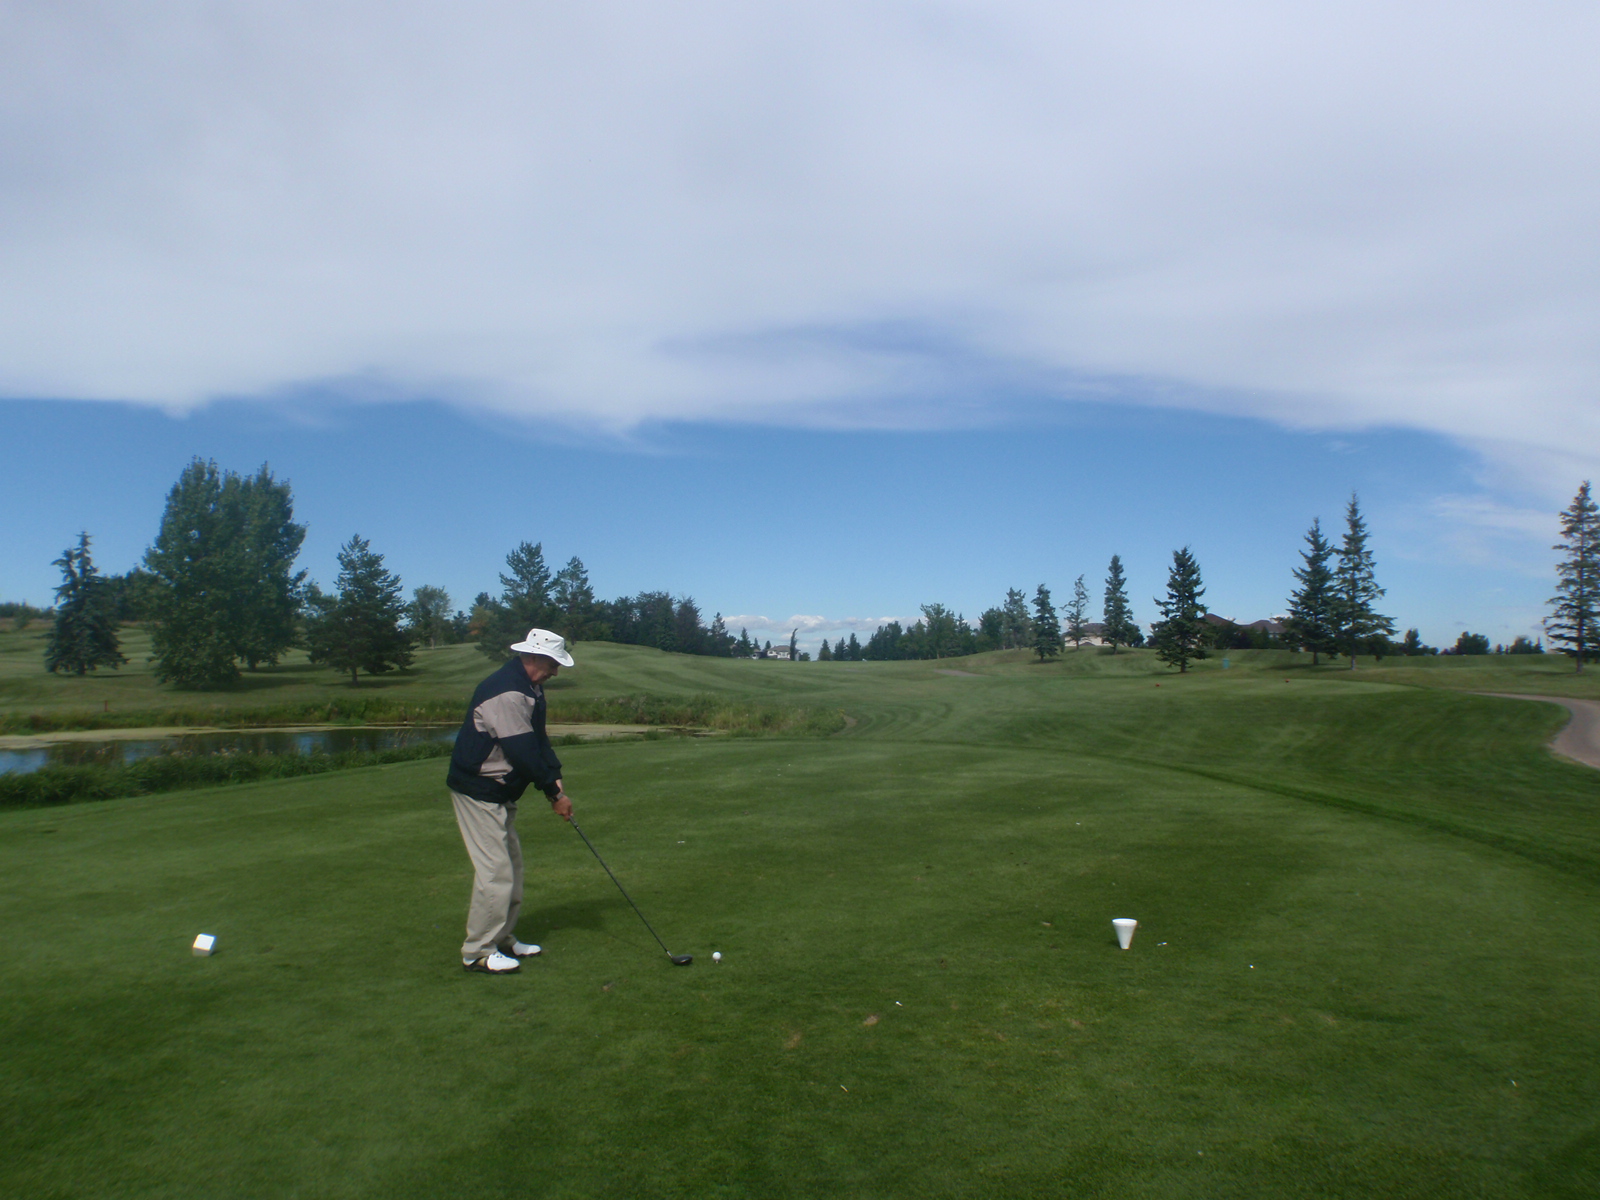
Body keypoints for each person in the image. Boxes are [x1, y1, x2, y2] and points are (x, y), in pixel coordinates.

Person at [446, 628, 575, 974]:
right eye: (552, 664)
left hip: (501, 790)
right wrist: (553, 793)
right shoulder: (506, 692)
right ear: (533, 657)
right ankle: (478, 952)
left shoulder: (531, 687)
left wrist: (556, 776)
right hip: (479, 788)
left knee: (512, 867)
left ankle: (502, 937)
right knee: (496, 870)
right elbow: (522, 753)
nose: (555, 671)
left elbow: (538, 741)